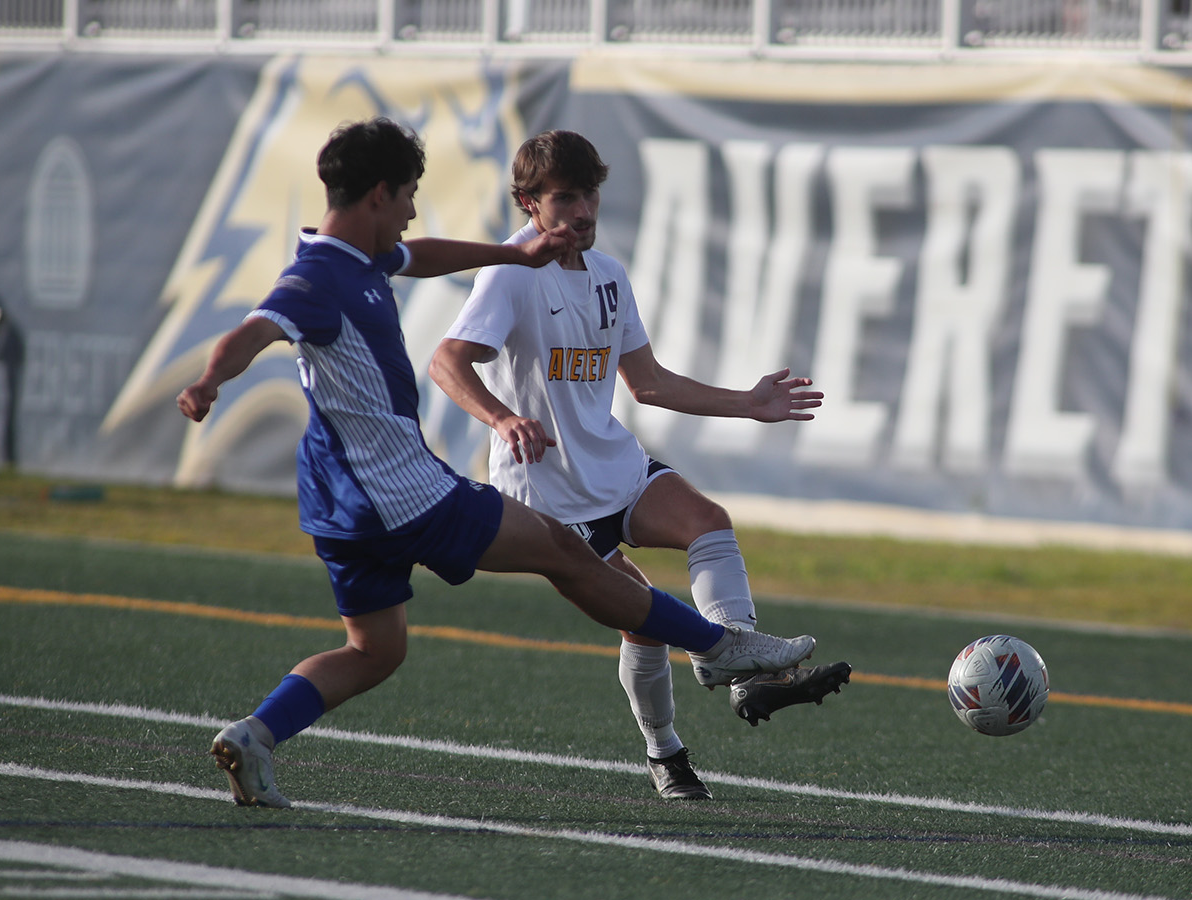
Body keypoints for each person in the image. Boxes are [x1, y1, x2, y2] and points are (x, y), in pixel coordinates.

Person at [176, 117, 818, 809]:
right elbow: (260, 327)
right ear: (378, 195)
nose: (414, 210)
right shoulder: (319, 276)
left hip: (337, 505)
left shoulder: (362, 259)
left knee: (375, 651)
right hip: (408, 491)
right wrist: (211, 379)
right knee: (568, 557)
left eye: (587, 195)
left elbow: (417, 255)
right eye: (409, 196)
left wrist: (513, 254)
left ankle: (256, 734)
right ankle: (720, 651)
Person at [428, 130, 852, 802]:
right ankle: (666, 753)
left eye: (590, 193)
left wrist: (748, 402)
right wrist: (502, 419)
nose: (583, 210)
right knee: (643, 620)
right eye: (564, 197)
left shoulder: (609, 276)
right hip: (550, 494)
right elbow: (447, 361)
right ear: (529, 204)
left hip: (613, 465)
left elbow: (648, 384)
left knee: (708, 521)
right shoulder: (509, 271)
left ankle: (740, 664)